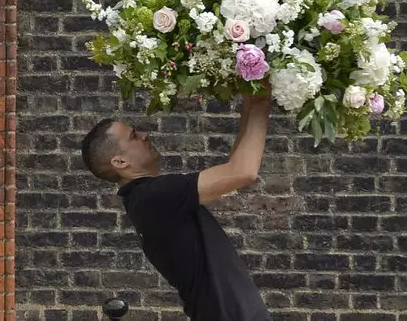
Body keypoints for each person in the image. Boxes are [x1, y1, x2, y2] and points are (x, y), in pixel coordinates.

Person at [81, 90, 273, 321]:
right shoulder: (153, 197)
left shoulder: (144, 199)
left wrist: (250, 94)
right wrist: (262, 99)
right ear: (120, 162)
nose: (144, 135)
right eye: (133, 136)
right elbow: (243, 171)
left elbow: (234, 166)